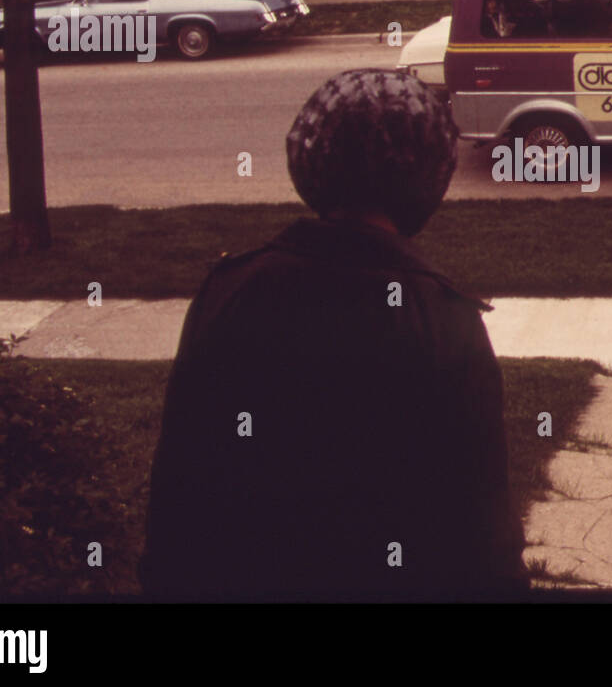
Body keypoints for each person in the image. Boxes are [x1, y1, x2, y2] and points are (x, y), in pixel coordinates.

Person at [140, 69, 528, 601]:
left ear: (311, 159)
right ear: (430, 176)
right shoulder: (443, 322)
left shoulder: (231, 291)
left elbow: (180, 489)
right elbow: (482, 530)